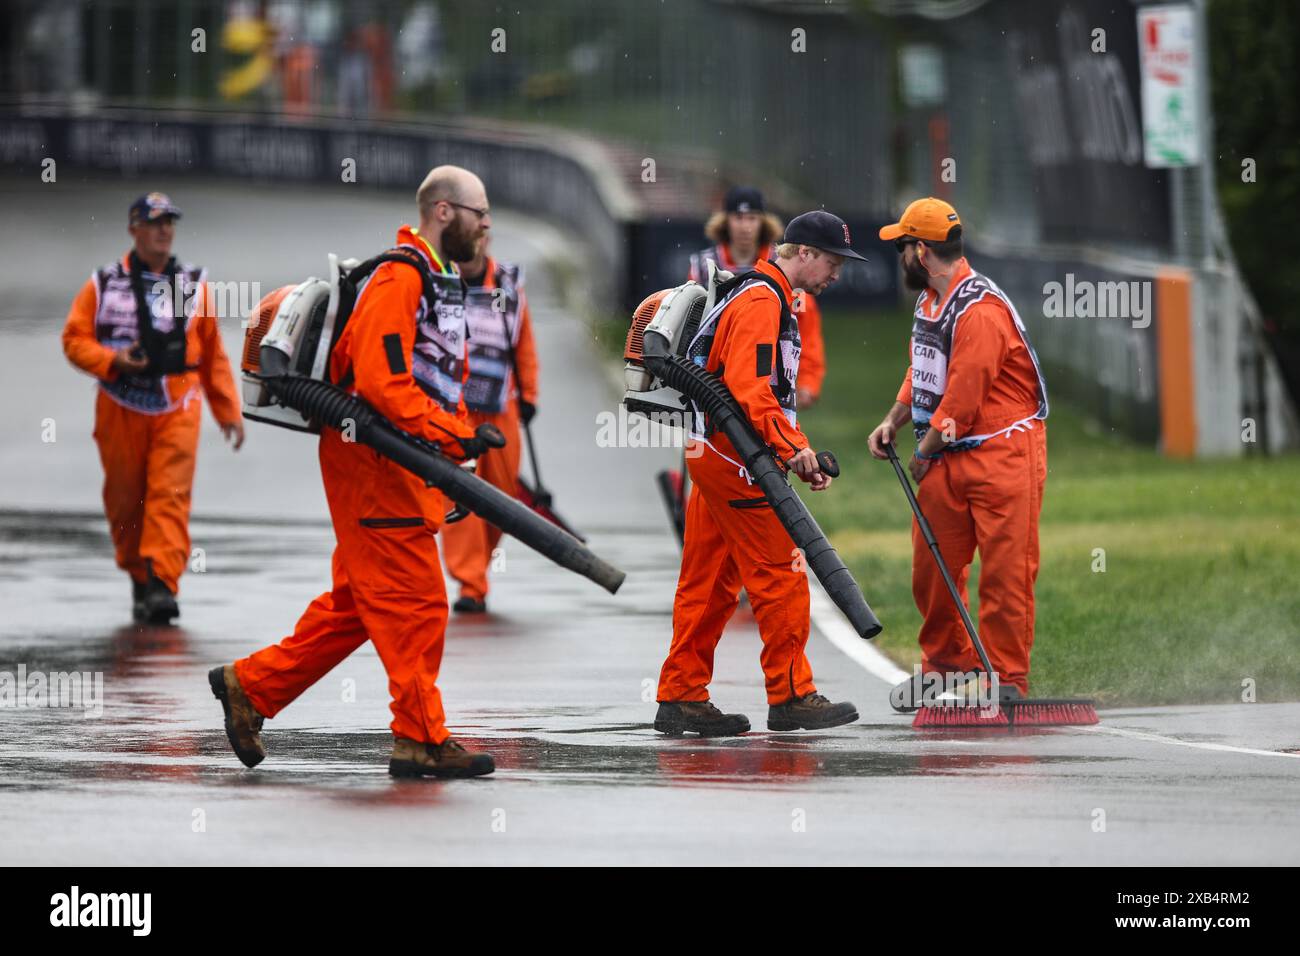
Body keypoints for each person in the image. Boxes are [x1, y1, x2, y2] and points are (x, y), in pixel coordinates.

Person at [212, 166, 500, 779]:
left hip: (398, 466)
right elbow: (381, 382)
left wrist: (452, 460)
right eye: (480, 213)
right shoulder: (401, 277)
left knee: (358, 608)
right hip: (372, 466)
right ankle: (420, 738)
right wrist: (457, 438)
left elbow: (430, 383)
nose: (487, 225)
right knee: (419, 606)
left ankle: (250, 687)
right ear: (444, 212)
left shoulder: (437, 280)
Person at [655, 211, 864, 736]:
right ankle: (792, 694)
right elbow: (751, 391)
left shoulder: (761, 294)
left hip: (716, 454)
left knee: (708, 584)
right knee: (782, 574)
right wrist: (795, 449)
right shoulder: (762, 301)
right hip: (739, 460)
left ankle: (681, 694)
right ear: (805, 254)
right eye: (833, 263)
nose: (835, 275)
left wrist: (791, 449)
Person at [866, 198, 1049, 706]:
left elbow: (962, 403)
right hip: (948, 450)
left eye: (903, 246)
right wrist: (893, 420)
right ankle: (947, 666)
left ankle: (1007, 680)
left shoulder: (980, 311)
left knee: (1006, 573)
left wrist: (922, 453)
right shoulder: (931, 301)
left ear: (921, 252)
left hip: (1001, 453)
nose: (899, 255)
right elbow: (924, 372)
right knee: (932, 567)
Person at [62, 192, 244, 624]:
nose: (164, 230)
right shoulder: (103, 282)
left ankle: (163, 582)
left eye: (170, 223)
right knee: (126, 500)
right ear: (134, 229)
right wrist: (113, 361)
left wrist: (228, 410)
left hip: (178, 405)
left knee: (169, 495)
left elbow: (213, 354)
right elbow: (73, 339)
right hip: (119, 405)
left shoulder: (193, 284)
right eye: (155, 222)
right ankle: (139, 578)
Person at [441, 236, 539, 614]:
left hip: (501, 409)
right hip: (454, 407)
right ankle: (471, 584)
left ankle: (477, 569)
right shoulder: (439, 282)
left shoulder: (509, 286)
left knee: (500, 496)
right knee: (459, 493)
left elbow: (524, 344)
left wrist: (529, 394)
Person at [688, 186, 825, 409]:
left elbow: (805, 324)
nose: (745, 226)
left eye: (752, 218)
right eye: (738, 218)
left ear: (763, 222)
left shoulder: (782, 264)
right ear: (725, 221)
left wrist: (809, 380)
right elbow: (690, 322)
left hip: (770, 378)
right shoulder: (704, 267)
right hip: (710, 377)